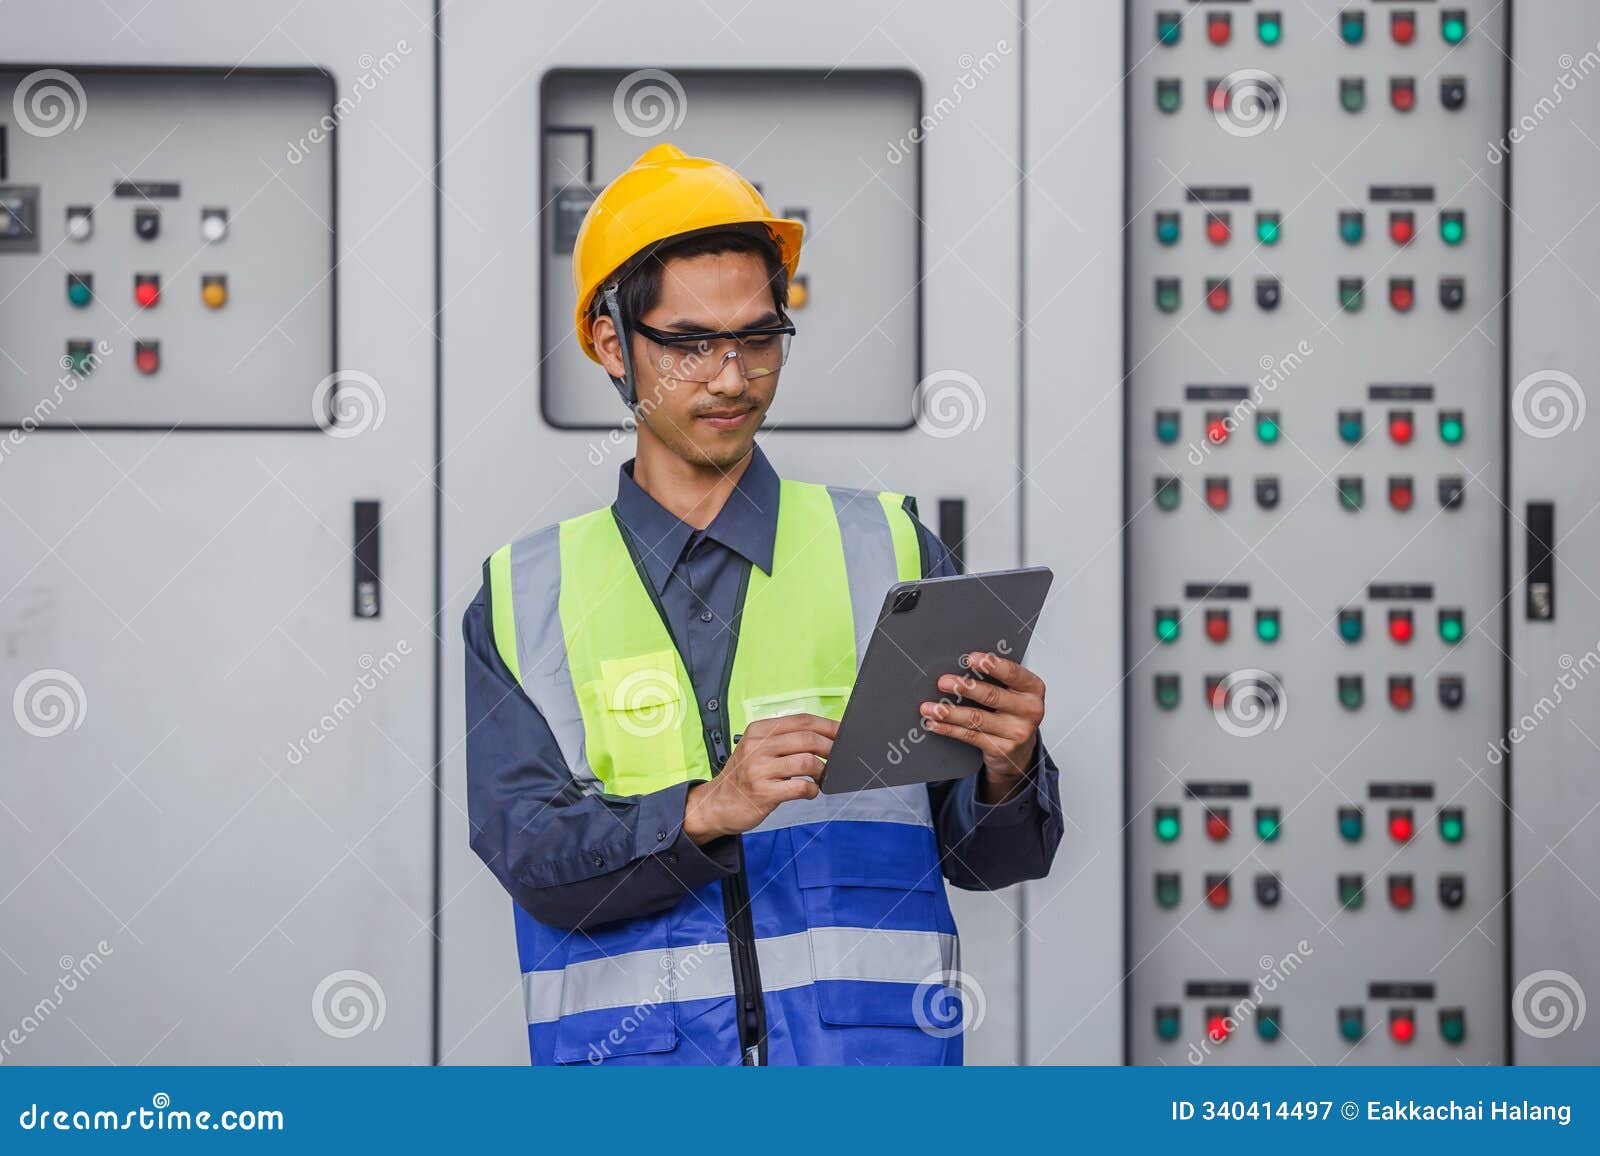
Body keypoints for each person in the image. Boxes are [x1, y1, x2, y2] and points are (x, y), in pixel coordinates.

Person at [462, 143, 1062, 1065]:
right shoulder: (523, 597)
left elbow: (989, 861)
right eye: (691, 343)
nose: (733, 377)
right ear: (613, 344)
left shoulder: (893, 553)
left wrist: (1009, 768)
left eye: (757, 337)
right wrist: (704, 808)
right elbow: (534, 859)